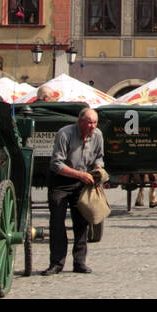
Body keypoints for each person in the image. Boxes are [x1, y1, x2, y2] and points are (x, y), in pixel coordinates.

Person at [44, 107, 104, 275]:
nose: (93, 126)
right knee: (57, 222)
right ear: (80, 122)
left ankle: (79, 262)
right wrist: (80, 175)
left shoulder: (98, 135)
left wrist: (98, 168)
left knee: (82, 222)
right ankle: (56, 263)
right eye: (89, 123)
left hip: (83, 182)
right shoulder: (65, 133)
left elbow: (99, 157)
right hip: (61, 181)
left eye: (95, 123)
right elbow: (56, 163)